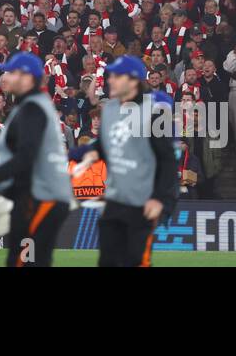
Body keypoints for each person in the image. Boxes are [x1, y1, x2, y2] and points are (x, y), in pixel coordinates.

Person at [71, 55, 177, 267]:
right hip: (114, 199)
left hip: (141, 202)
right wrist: (78, 154)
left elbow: (167, 161)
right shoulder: (109, 109)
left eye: (117, 76)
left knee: (136, 261)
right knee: (107, 261)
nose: (110, 80)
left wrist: (159, 199)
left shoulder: (153, 112)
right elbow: (103, 145)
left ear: (133, 81)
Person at [0, 52, 73, 267]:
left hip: (40, 197)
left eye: (13, 72)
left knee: (24, 262)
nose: (6, 77)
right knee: (30, 262)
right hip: (39, 195)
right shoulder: (33, 105)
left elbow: (27, 156)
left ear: (28, 78)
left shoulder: (32, 108)